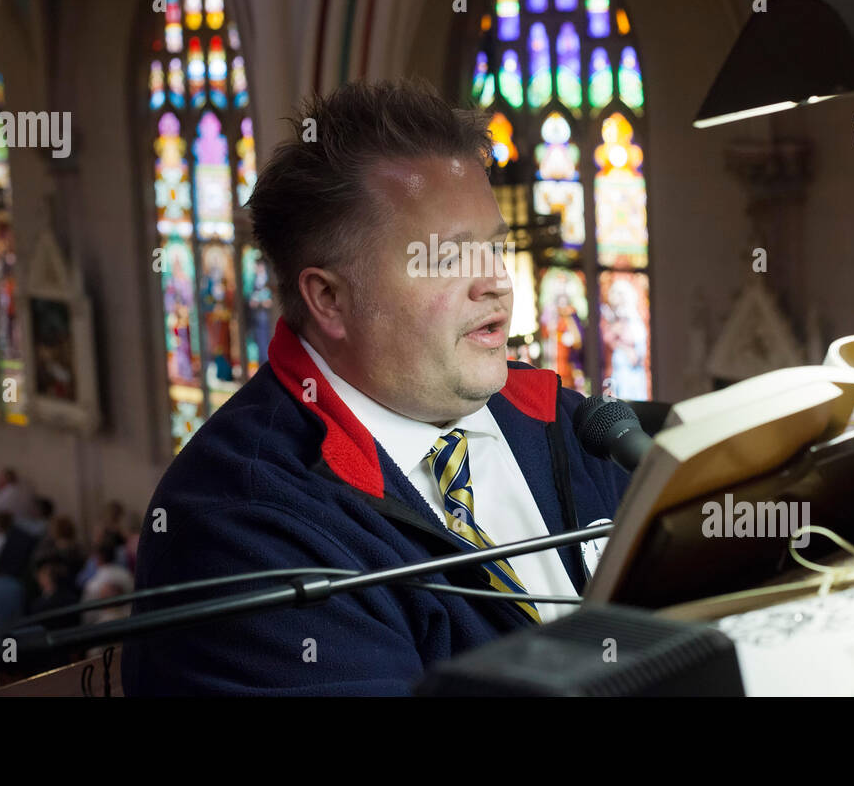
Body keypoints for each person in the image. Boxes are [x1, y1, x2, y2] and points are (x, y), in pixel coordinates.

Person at [123, 79, 630, 695]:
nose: (497, 282)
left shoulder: (572, 423)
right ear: (329, 298)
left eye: (496, 248)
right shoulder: (237, 525)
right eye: (447, 259)